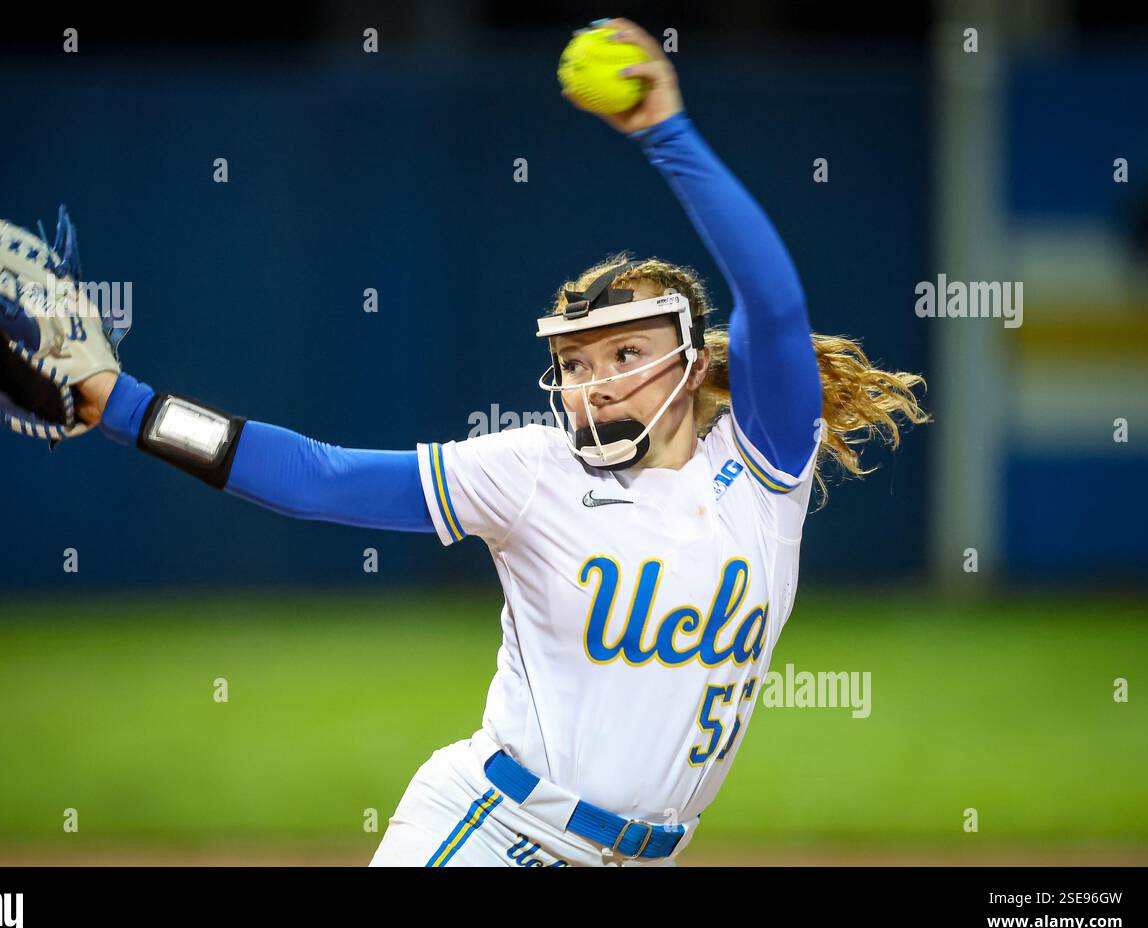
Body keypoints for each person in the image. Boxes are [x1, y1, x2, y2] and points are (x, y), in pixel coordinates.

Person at [74, 18, 928, 867]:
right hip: (493, 832)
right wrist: (126, 405)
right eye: (576, 361)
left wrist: (667, 133)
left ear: (695, 362)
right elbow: (317, 479)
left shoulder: (760, 476)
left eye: (625, 353)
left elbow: (772, 302)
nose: (594, 380)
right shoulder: (529, 470)